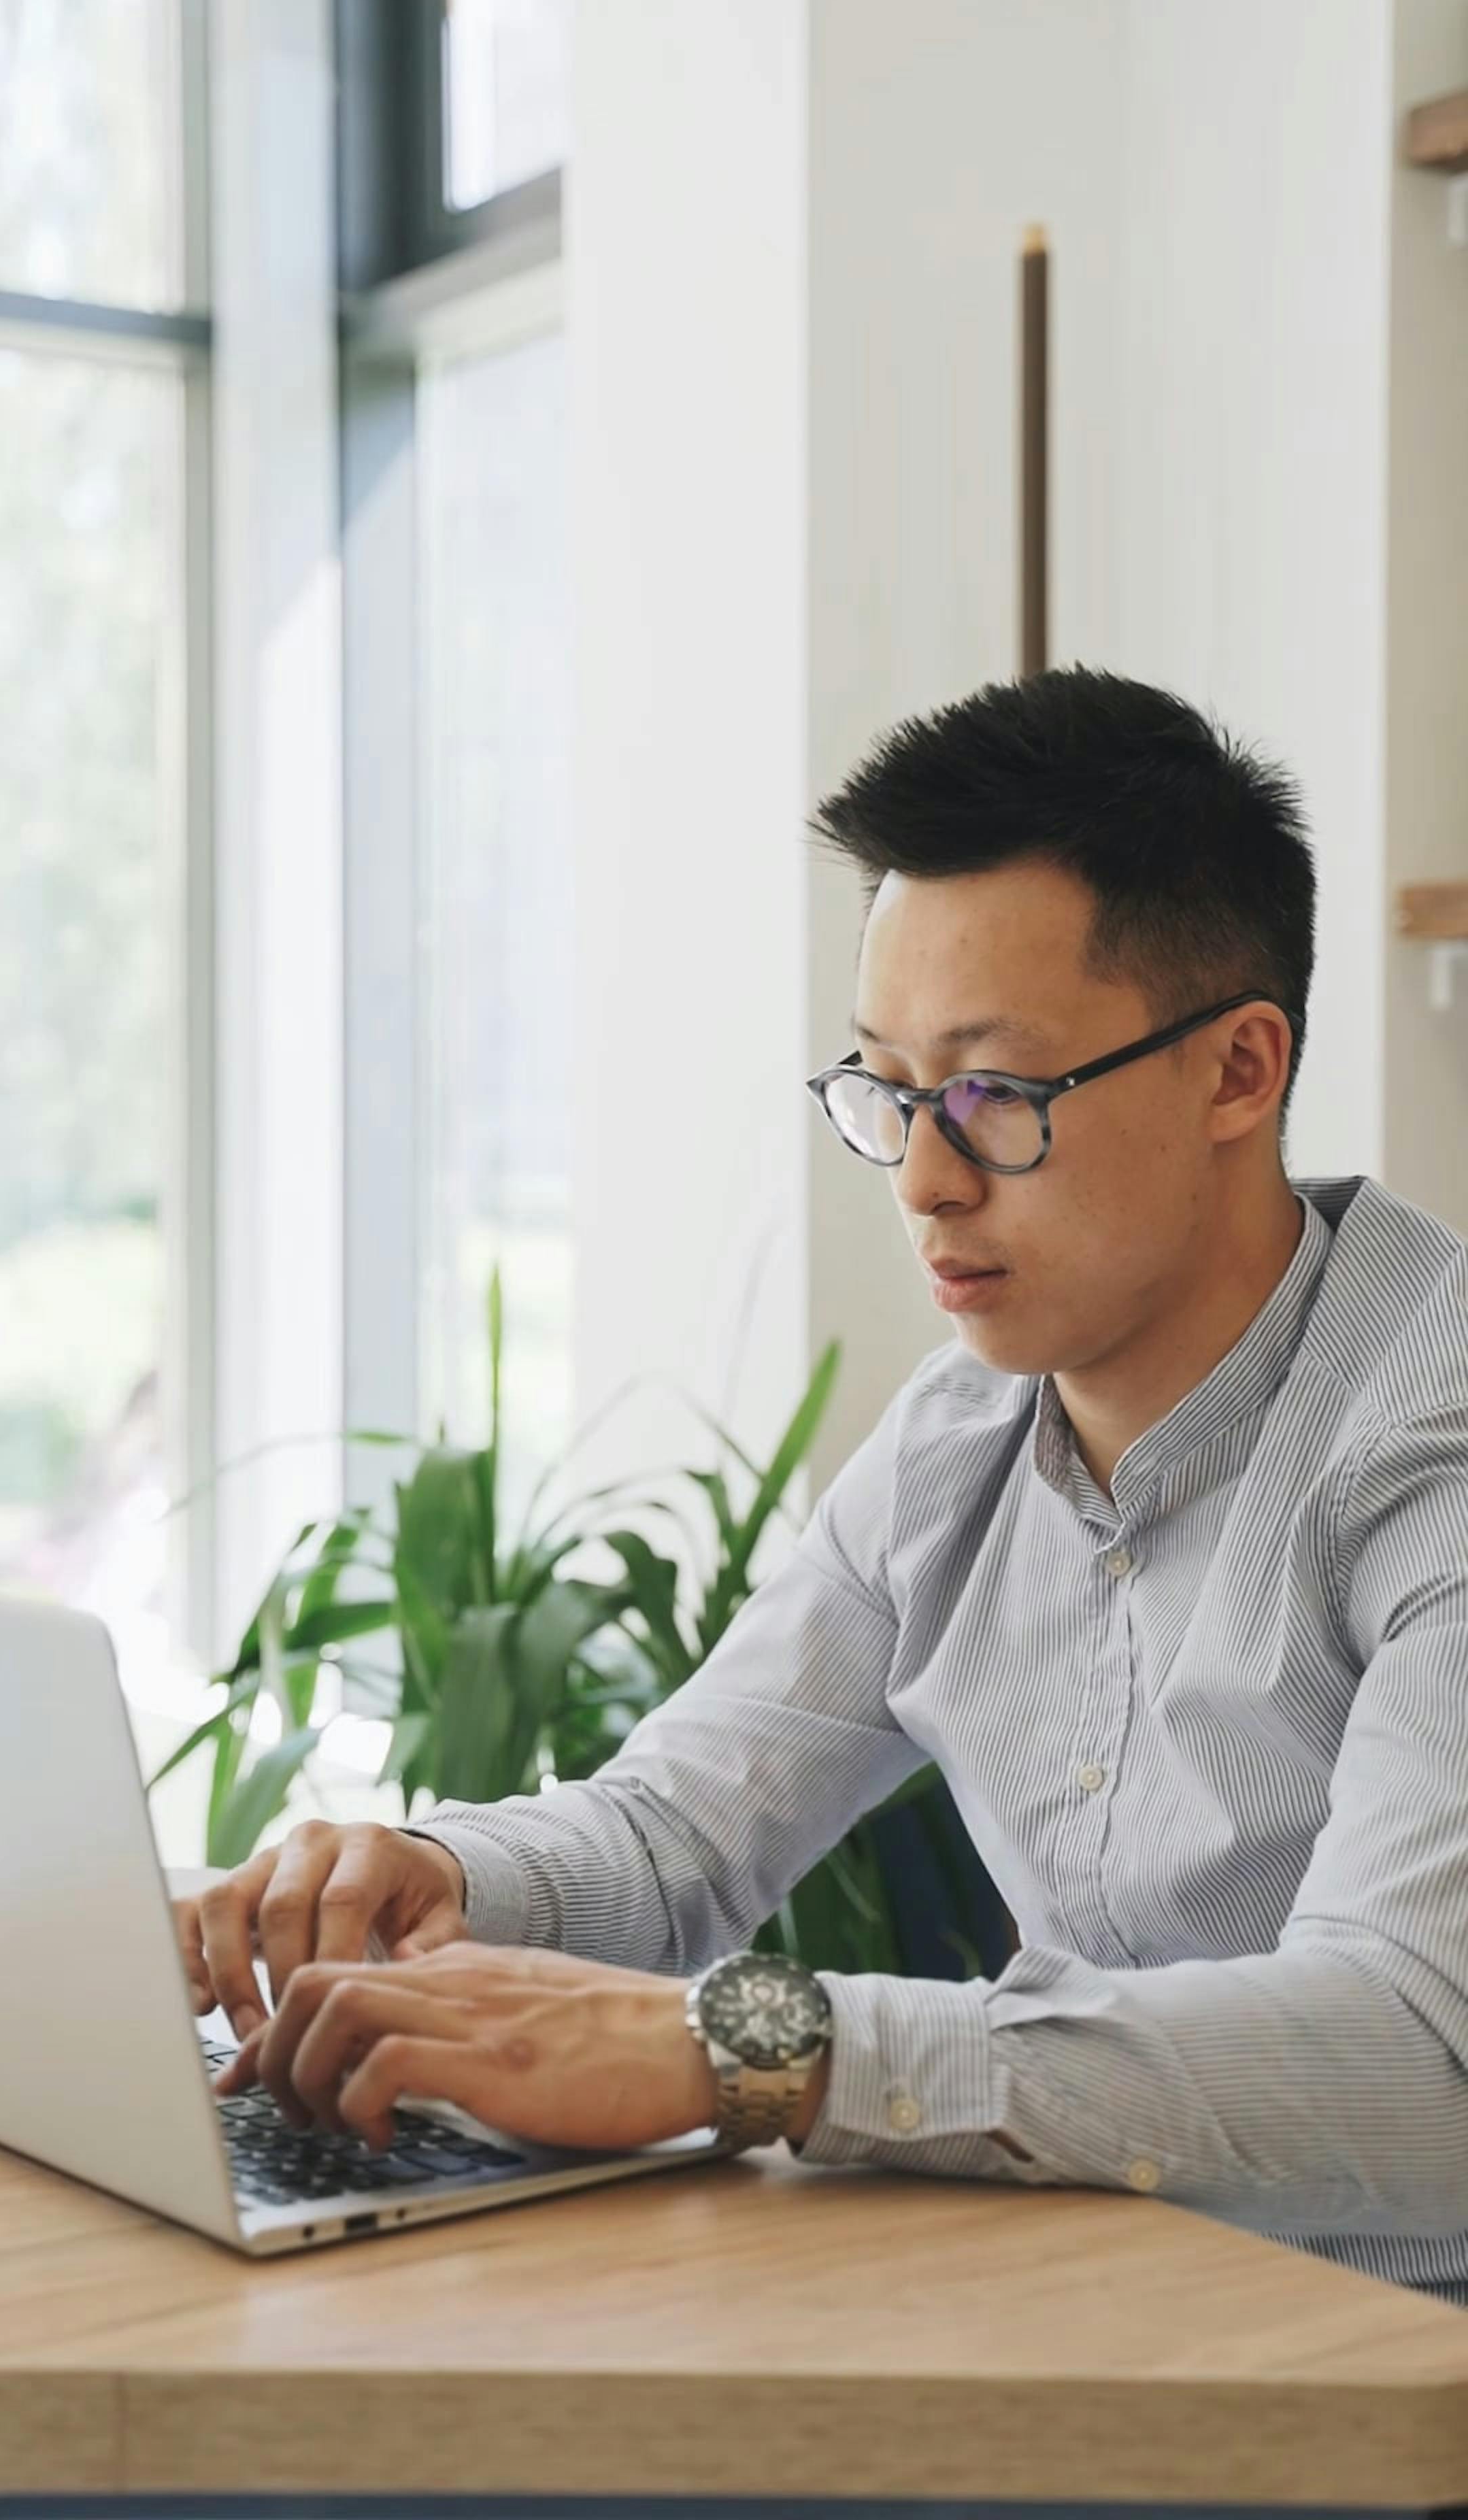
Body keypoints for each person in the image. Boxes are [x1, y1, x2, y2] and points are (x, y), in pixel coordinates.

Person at [180, 662, 1468, 2306]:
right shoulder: (963, 1439)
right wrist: (431, 1878)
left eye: (999, 1097)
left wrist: (755, 2045)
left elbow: (1420, 2057)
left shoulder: (1432, 1440)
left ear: (1239, 1070)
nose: (926, 1179)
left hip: (1393, 2361)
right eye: (890, 1090)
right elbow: (672, 1839)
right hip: (1103, 2288)